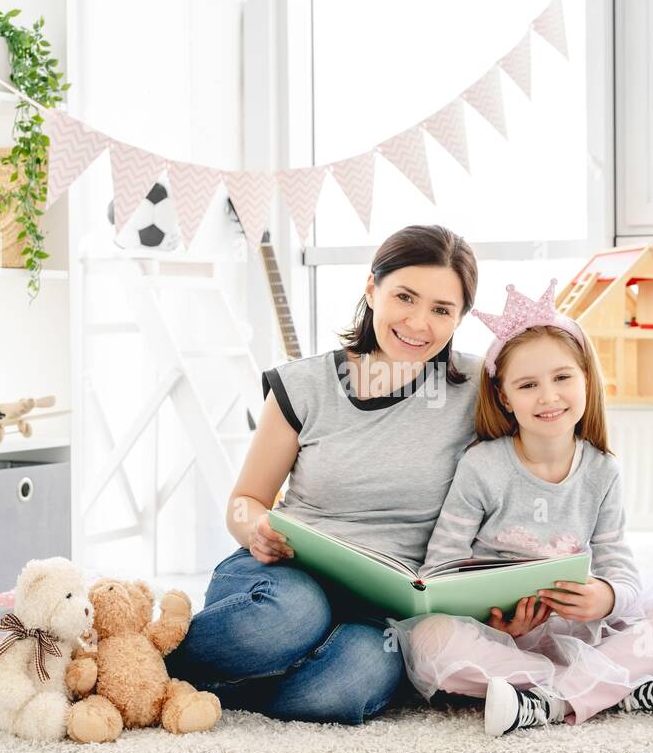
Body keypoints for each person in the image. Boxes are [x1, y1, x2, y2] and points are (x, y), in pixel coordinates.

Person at [388, 279, 653, 736]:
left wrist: (606, 597)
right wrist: (491, 618)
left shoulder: (602, 471)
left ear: (585, 379)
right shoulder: (482, 465)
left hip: (581, 633)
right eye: (527, 385)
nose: (548, 397)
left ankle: (547, 701)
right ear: (504, 397)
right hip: (502, 639)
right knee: (429, 640)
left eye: (563, 377)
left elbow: (620, 567)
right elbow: (442, 564)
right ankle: (618, 690)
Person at [163, 225, 484, 724]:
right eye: (405, 297)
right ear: (371, 289)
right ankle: (138, 664)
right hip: (284, 577)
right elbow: (246, 499)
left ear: (460, 317)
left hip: (381, 607)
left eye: (442, 309)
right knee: (293, 617)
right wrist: (256, 529)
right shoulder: (305, 384)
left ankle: (227, 690)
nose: (419, 322)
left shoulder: (478, 389)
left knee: (351, 680)